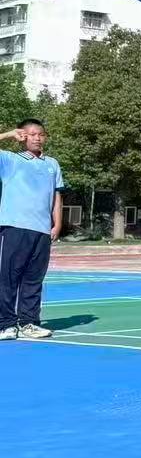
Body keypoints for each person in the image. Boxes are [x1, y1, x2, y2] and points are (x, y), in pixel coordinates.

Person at [0, 119, 66, 341]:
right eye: (32, 134)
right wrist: (8, 134)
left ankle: (29, 322)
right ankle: (6, 324)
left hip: (42, 230)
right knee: (8, 278)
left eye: (41, 134)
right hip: (14, 227)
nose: (37, 138)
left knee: (33, 279)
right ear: (23, 136)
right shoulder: (9, 160)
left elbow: (56, 195)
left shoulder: (52, 164)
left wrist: (57, 223)